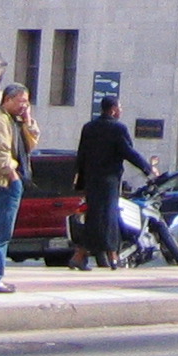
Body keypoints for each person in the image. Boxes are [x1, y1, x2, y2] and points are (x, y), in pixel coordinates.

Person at [70, 97, 152, 270]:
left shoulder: (89, 127)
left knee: (96, 216)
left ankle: (85, 254)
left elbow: (81, 155)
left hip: (92, 181)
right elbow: (128, 152)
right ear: (113, 109)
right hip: (109, 180)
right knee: (108, 217)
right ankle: (107, 254)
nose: (121, 110)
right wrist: (147, 168)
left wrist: (80, 180)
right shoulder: (118, 128)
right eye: (120, 107)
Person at [0, 82, 39, 294]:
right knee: (0, 232)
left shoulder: (15, 122)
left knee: (4, 232)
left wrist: (28, 121)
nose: (24, 105)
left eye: (27, 102)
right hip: (4, 183)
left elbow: (31, 145)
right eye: (21, 101)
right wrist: (13, 176)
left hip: (13, 182)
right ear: (7, 100)